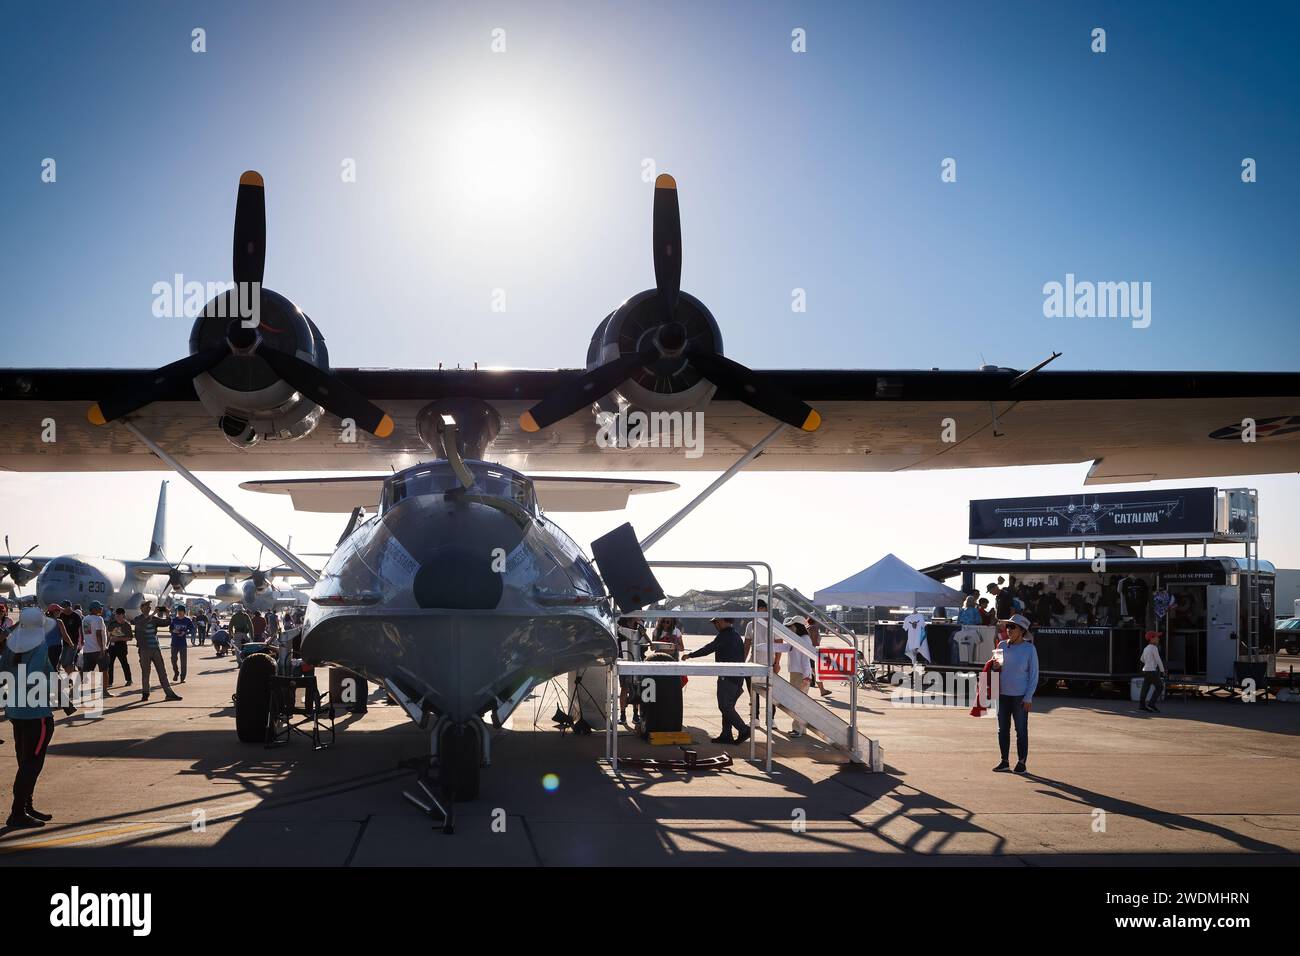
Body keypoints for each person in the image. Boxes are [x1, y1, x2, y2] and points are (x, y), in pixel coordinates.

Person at [1, 606, 58, 828]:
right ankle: (17, 813)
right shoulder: (40, 645)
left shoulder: (12, 645)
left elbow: (3, 670)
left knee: (25, 762)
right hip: (37, 713)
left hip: (15, 711)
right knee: (32, 765)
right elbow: (34, 676)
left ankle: (26, 806)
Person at [684, 615, 749, 745]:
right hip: (737, 677)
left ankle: (744, 729)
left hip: (728, 677)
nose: (715, 625)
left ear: (724, 621)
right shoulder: (735, 635)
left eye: (717, 622)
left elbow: (709, 648)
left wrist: (691, 655)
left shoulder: (726, 635)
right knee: (728, 707)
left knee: (725, 707)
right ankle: (726, 734)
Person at [991, 613, 1038, 774]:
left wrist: (1028, 696)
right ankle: (1004, 761)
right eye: (1007, 626)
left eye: (1012, 627)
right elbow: (996, 669)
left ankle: (1021, 762)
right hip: (1003, 695)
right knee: (1002, 729)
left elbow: (1034, 675)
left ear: (1022, 631)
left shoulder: (1029, 649)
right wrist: (995, 667)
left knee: (1021, 730)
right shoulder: (1002, 645)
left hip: (1020, 696)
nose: (1008, 629)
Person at [132, 601, 182, 702]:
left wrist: (167, 614)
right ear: (141, 608)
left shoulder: (153, 619)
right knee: (146, 672)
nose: (149, 607)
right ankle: (145, 693)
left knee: (162, 672)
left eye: (149, 606)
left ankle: (169, 694)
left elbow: (166, 623)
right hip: (144, 649)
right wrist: (153, 614)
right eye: (146, 606)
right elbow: (141, 624)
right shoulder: (138, 619)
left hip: (155, 649)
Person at [782, 618, 814, 736]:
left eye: (791, 626)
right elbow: (787, 648)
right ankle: (801, 728)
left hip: (800, 674)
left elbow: (806, 659)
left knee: (797, 703)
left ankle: (798, 729)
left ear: (797, 626)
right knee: (798, 702)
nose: (789, 629)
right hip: (796, 673)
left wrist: (806, 676)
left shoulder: (804, 639)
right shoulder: (796, 639)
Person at [44, 604, 76, 717]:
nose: (60, 612)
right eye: (59, 611)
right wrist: (71, 644)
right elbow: (65, 635)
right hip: (56, 649)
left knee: (49, 674)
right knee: (52, 674)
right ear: (55, 612)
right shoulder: (59, 622)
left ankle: (62, 703)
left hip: (45, 649)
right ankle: (65, 703)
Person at [742, 599, 771, 697]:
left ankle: (771, 708)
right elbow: (746, 645)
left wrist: (777, 663)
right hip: (754, 660)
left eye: (755, 609)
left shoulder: (772, 624)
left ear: (763, 609)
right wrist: (742, 661)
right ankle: (754, 706)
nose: (753, 612)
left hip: (769, 662)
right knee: (750, 682)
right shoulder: (751, 625)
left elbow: (778, 643)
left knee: (769, 691)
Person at [104, 607, 133, 688]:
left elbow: (130, 638)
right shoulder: (112, 623)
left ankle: (129, 679)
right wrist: (106, 645)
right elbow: (108, 635)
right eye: (116, 614)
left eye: (118, 614)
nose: (116, 616)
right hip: (112, 646)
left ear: (123, 615)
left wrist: (118, 638)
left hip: (121, 646)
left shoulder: (126, 625)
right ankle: (110, 682)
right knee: (110, 664)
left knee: (124, 663)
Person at [1139, 630, 1166, 713]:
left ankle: (1142, 706)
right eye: (1157, 637)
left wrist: (1148, 662)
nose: (1158, 638)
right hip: (1151, 670)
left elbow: (1142, 659)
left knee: (1145, 688)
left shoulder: (1146, 648)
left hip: (1145, 670)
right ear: (1152, 639)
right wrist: (1162, 671)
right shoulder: (1154, 648)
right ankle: (1151, 704)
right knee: (1160, 687)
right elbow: (1158, 660)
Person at [169, 606, 194, 683]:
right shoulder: (174, 620)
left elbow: (192, 629)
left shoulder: (187, 620)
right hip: (174, 643)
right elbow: (170, 629)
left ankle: (182, 677)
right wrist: (174, 631)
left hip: (182, 643)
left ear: (184, 612)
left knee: (183, 661)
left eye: (181, 611)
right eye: (178, 611)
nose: (179, 612)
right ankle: (176, 672)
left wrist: (185, 632)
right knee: (173, 659)